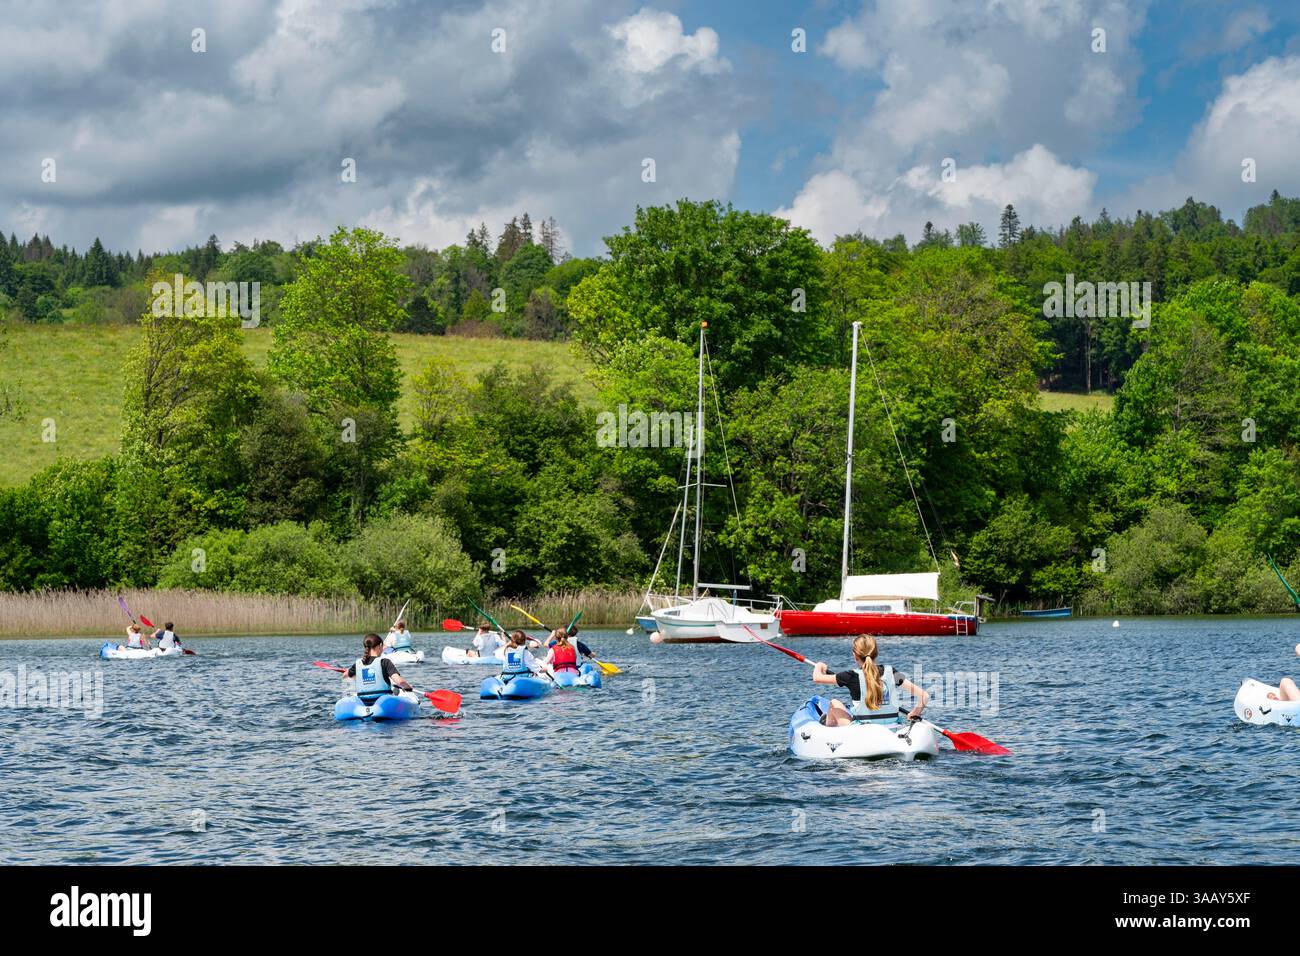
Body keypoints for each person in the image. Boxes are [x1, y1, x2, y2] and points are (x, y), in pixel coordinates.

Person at [811, 634, 928, 727]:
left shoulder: (850, 676)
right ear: (876, 653)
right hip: (891, 728)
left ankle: (829, 733)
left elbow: (817, 678)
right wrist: (915, 713)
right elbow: (924, 696)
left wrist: (819, 666)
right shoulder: (891, 672)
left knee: (834, 703)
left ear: (854, 655)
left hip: (863, 733)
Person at [345, 634, 415, 702]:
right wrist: (408, 688)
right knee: (396, 691)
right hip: (383, 701)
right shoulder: (385, 662)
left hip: (363, 700)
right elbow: (400, 682)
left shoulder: (357, 664)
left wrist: (354, 673)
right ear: (380, 645)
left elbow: (346, 675)